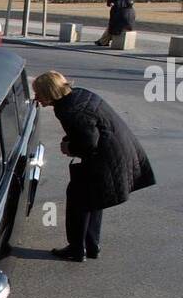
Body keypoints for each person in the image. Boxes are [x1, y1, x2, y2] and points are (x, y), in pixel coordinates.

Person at [32, 70, 155, 262]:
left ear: (49, 93)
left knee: (78, 200)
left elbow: (89, 142)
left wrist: (69, 147)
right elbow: (89, 127)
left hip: (105, 158)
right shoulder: (78, 94)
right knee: (94, 199)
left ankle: (76, 249)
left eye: (38, 93)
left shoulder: (68, 110)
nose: (36, 98)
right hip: (118, 151)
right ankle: (91, 246)